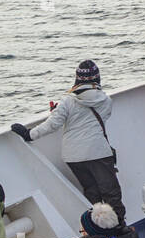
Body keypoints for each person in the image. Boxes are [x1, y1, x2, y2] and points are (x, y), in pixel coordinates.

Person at [10, 61, 124, 223]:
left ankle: (99, 228)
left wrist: (29, 134)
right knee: (111, 193)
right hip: (98, 152)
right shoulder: (106, 101)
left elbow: (52, 124)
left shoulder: (67, 102)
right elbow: (99, 119)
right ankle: (119, 227)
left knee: (92, 192)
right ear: (97, 78)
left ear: (78, 79)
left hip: (73, 156)